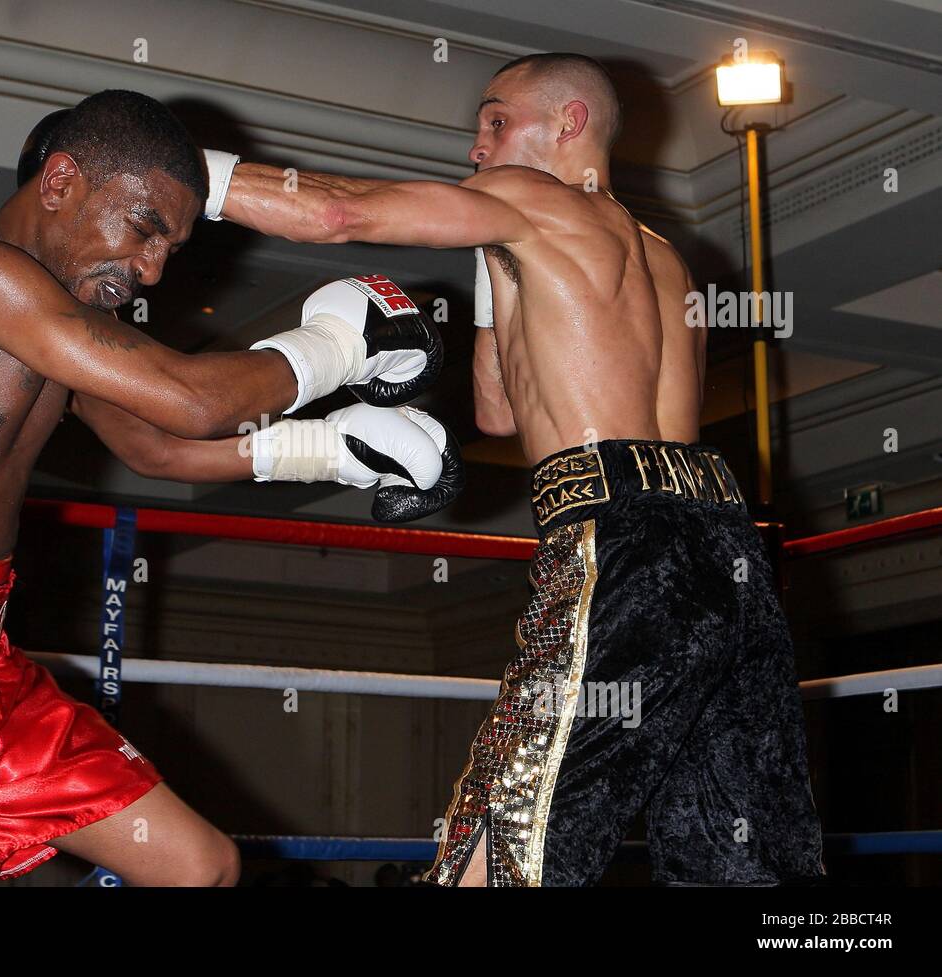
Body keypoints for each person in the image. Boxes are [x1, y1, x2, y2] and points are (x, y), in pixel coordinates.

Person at [0, 89, 459, 886]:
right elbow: (191, 396)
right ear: (62, 181)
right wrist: (341, 344)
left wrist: (330, 450)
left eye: (169, 248)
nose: (150, 269)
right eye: (145, 230)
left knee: (198, 865)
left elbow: (157, 445)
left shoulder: (58, 315)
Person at [203, 54, 824, 886]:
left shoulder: (537, 202)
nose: (475, 148)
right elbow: (498, 411)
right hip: (725, 549)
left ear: (570, 124)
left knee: (511, 834)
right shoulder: (670, 259)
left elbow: (339, 211)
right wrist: (491, 262)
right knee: (737, 853)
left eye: (496, 121)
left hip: (622, 540)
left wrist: (181, 173)